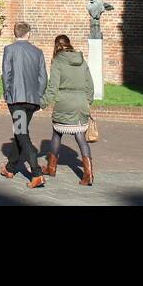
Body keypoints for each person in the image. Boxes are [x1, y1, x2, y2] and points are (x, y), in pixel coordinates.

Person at [40, 34, 96, 186]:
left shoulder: (58, 61)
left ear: (56, 46)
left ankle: (51, 168)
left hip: (64, 102)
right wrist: (87, 101)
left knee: (57, 134)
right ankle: (88, 174)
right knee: (80, 137)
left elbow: (52, 87)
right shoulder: (82, 60)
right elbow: (90, 86)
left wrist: (43, 103)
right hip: (81, 103)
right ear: (69, 44)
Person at [0, 22, 47, 187]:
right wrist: (38, 96)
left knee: (21, 133)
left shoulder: (10, 49)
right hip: (32, 100)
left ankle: (36, 172)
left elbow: (7, 74)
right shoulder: (38, 52)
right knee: (21, 132)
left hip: (17, 99)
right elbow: (43, 78)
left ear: (15, 33)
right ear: (28, 34)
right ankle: (10, 168)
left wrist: (7, 93)